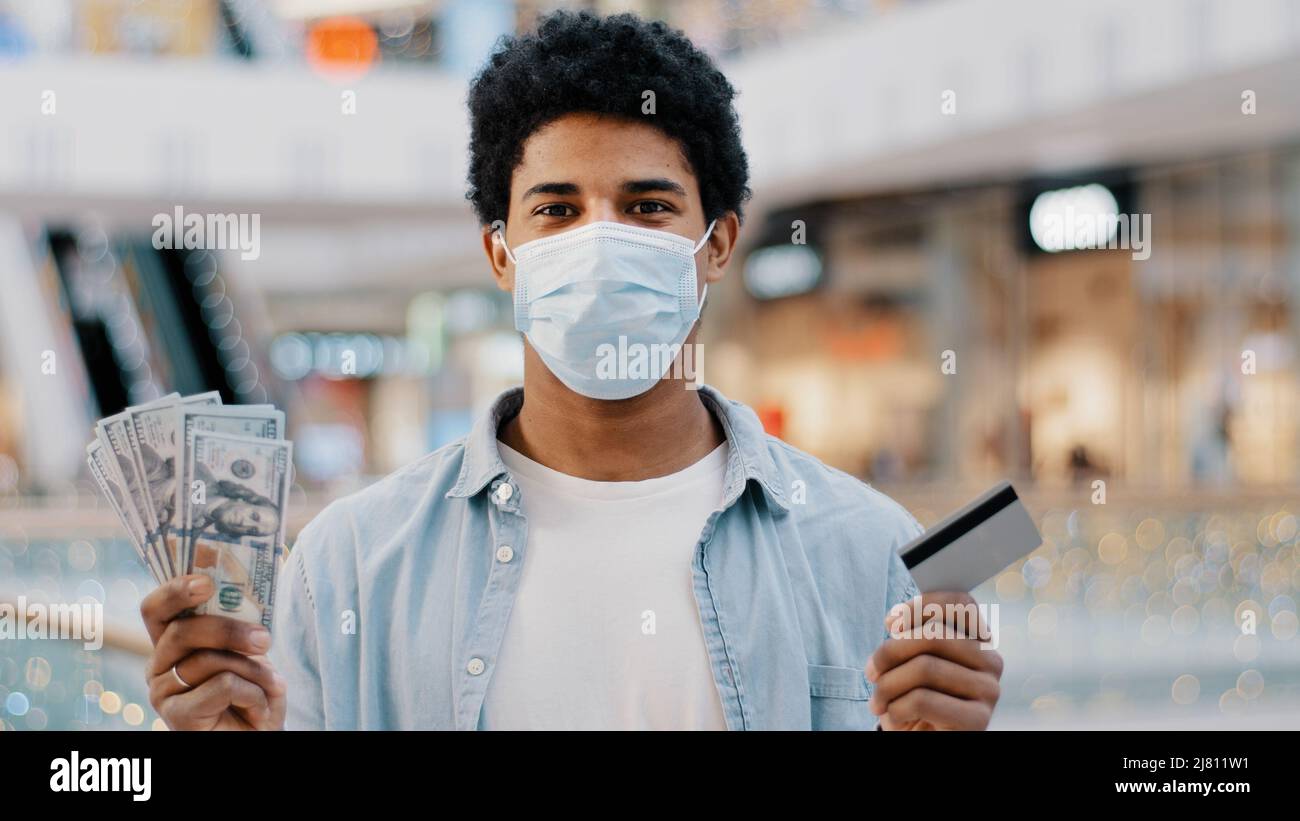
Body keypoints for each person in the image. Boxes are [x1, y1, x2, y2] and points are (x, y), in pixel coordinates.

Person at [139, 10, 1002, 731]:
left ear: (719, 243)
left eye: (647, 205)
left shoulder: (866, 550)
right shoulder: (352, 566)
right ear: (501, 253)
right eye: (556, 209)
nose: (598, 239)